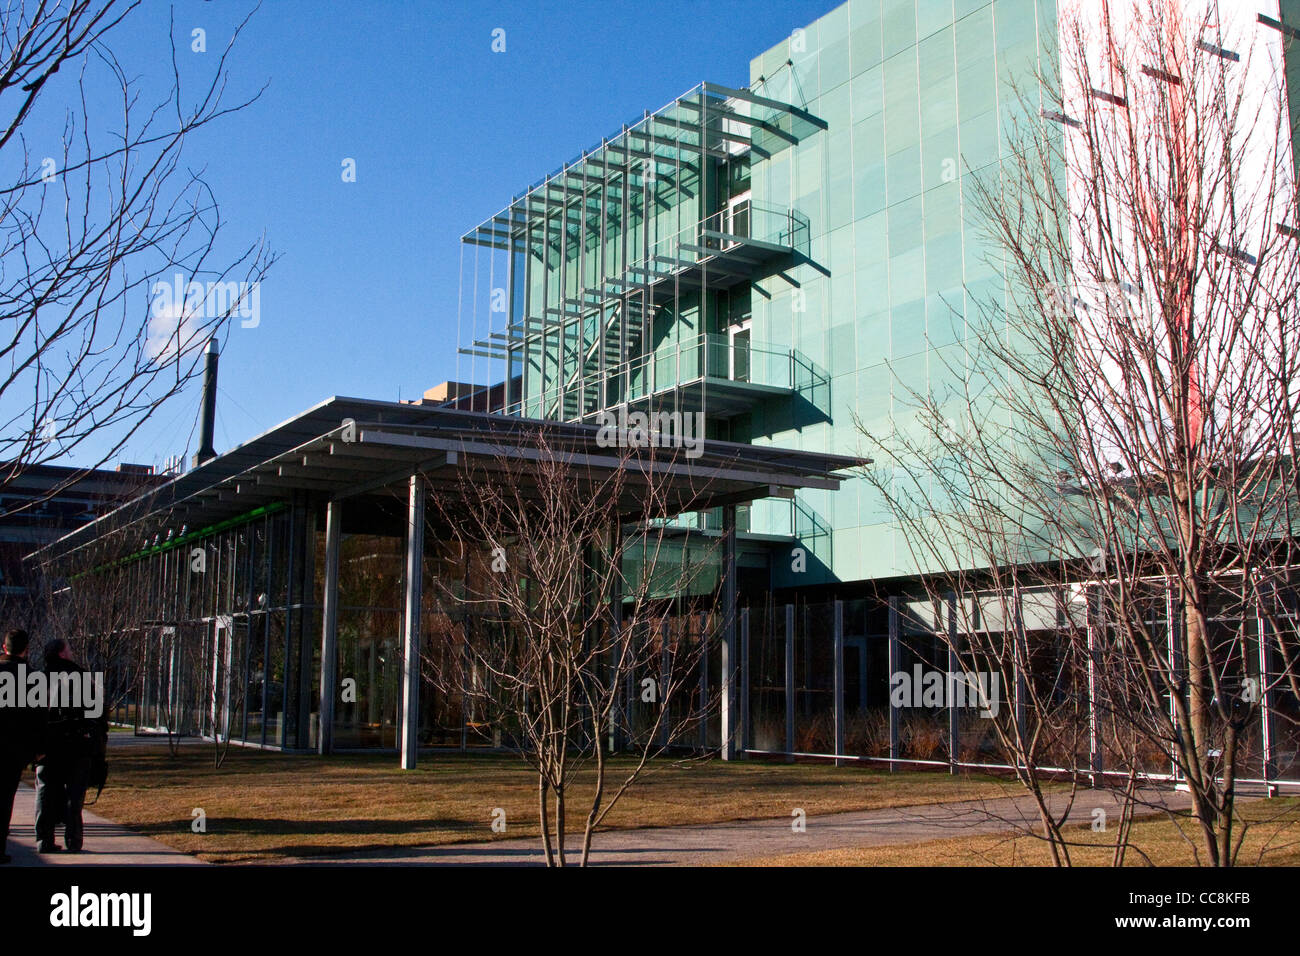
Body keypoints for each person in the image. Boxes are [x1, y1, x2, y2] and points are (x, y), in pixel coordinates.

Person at [34, 638, 106, 854]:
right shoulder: (82, 678)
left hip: (49, 746)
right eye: (69, 649)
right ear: (62, 653)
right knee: (75, 796)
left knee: (46, 792)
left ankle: (44, 839)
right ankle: (73, 840)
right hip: (78, 745)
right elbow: (97, 714)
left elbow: (33, 716)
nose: (72, 652)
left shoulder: (38, 679)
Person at [0, 628, 39, 864]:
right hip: (12, 751)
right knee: (5, 799)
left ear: (5, 648)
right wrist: (36, 749)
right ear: (26, 650)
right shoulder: (31, 678)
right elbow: (37, 719)